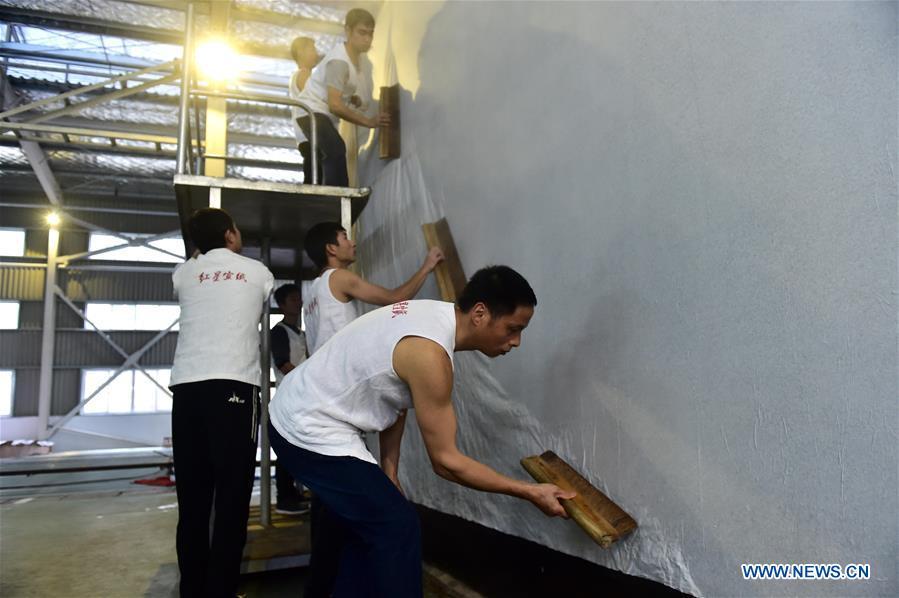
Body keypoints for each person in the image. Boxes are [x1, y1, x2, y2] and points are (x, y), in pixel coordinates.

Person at [269, 265, 576, 598]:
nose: (516, 341)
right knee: (395, 526)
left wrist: (389, 468)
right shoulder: (431, 357)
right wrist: (530, 492)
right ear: (480, 314)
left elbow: (395, 398)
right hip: (305, 425)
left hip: (302, 408)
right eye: (513, 328)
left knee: (352, 526)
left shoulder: (430, 314)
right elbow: (446, 462)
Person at [169, 208, 274, 598]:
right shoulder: (258, 271)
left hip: (187, 390)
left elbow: (188, 273)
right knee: (231, 502)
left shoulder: (184, 273)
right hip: (234, 387)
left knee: (193, 504)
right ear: (231, 234)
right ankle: (222, 591)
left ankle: (193, 592)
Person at [302, 221, 444, 354]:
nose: (353, 243)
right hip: (339, 368)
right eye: (345, 238)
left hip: (321, 372)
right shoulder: (338, 277)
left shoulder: (311, 293)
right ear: (331, 248)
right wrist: (427, 266)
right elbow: (395, 298)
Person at [295, 8, 389, 186]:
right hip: (310, 112)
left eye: (370, 34)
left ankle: (332, 196)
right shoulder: (339, 61)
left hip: (319, 113)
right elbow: (335, 105)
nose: (367, 39)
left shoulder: (355, 61)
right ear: (348, 31)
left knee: (329, 153)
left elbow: (338, 94)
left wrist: (351, 99)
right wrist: (368, 122)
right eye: (362, 33)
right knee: (336, 149)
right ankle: (337, 200)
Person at [270, 283, 310, 515]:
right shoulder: (279, 332)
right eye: (293, 299)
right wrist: (306, 380)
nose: (299, 302)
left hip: (302, 397)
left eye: (299, 299)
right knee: (287, 448)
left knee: (299, 446)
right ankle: (284, 497)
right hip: (289, 396)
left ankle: (294, 494)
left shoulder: (302, 333)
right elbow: (282, 363)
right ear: (282, 304)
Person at [288, 36, 321, 172]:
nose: (316, 54)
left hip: (306, 136)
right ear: (301, 52)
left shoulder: (299, 75)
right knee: (314, 171)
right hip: (310, 134)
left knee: (313, 169)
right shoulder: (303, 74)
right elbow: (317, 99)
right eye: (312, 49)